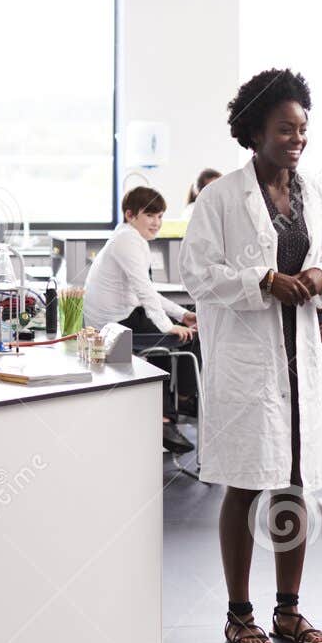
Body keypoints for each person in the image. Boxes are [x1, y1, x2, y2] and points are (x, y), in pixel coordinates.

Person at [181, 69, 322, 643]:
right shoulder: (222, 198)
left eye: (303, 128)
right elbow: (196, 274)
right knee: (245, 485)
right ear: (255, 131)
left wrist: (321, 275)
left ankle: (288, 611)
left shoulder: (318, 197)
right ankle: (238, 612)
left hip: (300, 357)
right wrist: (264, 282)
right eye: (285, 129)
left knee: (295, 485)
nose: (297, 139)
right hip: (248, 362)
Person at [84, 185, 198, 454]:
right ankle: (176, 409)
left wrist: (181, 314)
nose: (157, 223)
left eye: (160, 216)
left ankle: (172, 409)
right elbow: (144, 291)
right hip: (115, 324)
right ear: (130, 215)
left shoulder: (129, 238)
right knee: (187, 338)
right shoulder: (127, 241)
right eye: (151, 216)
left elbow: (147, 292)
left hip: (122, 316)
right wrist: (170, 326)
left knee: (179, 333)